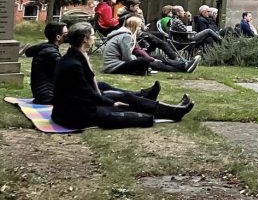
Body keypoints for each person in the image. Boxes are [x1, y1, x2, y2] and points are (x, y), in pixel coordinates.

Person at [52, 23, 194, 130]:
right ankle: (170, 112)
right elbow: (88, 93)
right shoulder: (73, 63)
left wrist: (110, 100)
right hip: (74, 115)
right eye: (93, 35)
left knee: (128, 98)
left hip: (80, 107)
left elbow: (91, 89)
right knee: (133, 114)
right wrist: (111, 102)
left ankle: (173, 110)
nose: (94, 38)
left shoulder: (76, 56)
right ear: (85, 39)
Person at [24, 22, 159, 105]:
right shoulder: (51, 53)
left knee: (101, 86)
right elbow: (71, 77)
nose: (69, 36)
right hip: (49, 96)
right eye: (66, 34)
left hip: (48, 92)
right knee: (97, 92)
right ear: (58, 37)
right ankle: (139, 97)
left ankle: (139, 94)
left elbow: (30, 51)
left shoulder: (46, 48)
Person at [104, 17, 198, 74]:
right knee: (146, 61)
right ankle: (183, 67)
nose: (141, 29)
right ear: (135, 27)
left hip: (115, 64)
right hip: (114, 66)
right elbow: (127, 57)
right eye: (140, 27)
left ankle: (183, 66)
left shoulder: (124, 34)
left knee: (155, 57)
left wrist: (149, 58)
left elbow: (133, 52)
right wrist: (141, 59)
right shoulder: (125, 36)